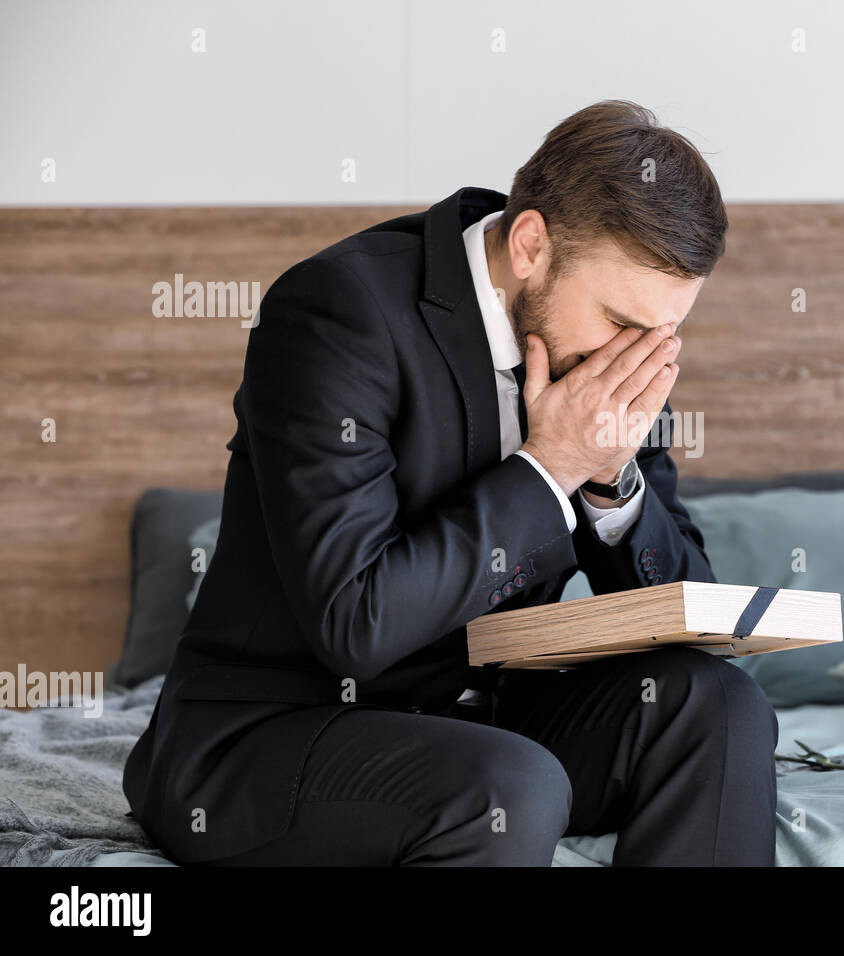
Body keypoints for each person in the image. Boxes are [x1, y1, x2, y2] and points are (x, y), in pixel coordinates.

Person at [122, 99, 778, 866]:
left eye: (664, 333)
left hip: (477, 719)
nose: (635, 359)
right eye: (623, 324)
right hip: (270, 735)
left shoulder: (610, 355)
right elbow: (354, 621)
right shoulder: (338, 313)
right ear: (532, 243)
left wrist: (608, 476)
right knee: (511, 787)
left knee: (717, 705)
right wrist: (553, 464)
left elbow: (686, 610)